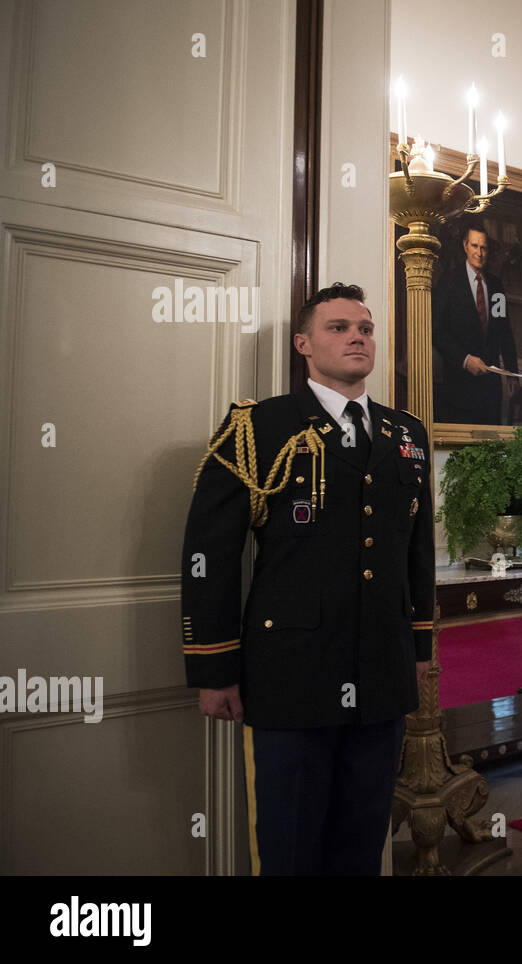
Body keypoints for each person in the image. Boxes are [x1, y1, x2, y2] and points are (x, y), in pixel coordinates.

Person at [180, 282, 436, 875]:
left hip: (380, 670)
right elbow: (209, 555)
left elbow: (415, 551)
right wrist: (214, 666)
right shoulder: (260, 427)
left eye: (366, 329)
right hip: (290, 673)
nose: (357, 337)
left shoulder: (406, 435)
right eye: (339, 327)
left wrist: (417, 646)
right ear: (304, 344)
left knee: (361, 838)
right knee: (290, 843)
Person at [431, 224, 520, 424]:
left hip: (490, 389)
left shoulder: (496, 286)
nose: (479, 253)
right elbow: (437, 331)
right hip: (458, 387)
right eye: (474, 246)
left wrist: (512, 373)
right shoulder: (448, 282)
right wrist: (464, 359)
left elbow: (503, 331)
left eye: (484, 248)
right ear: (465, 246)